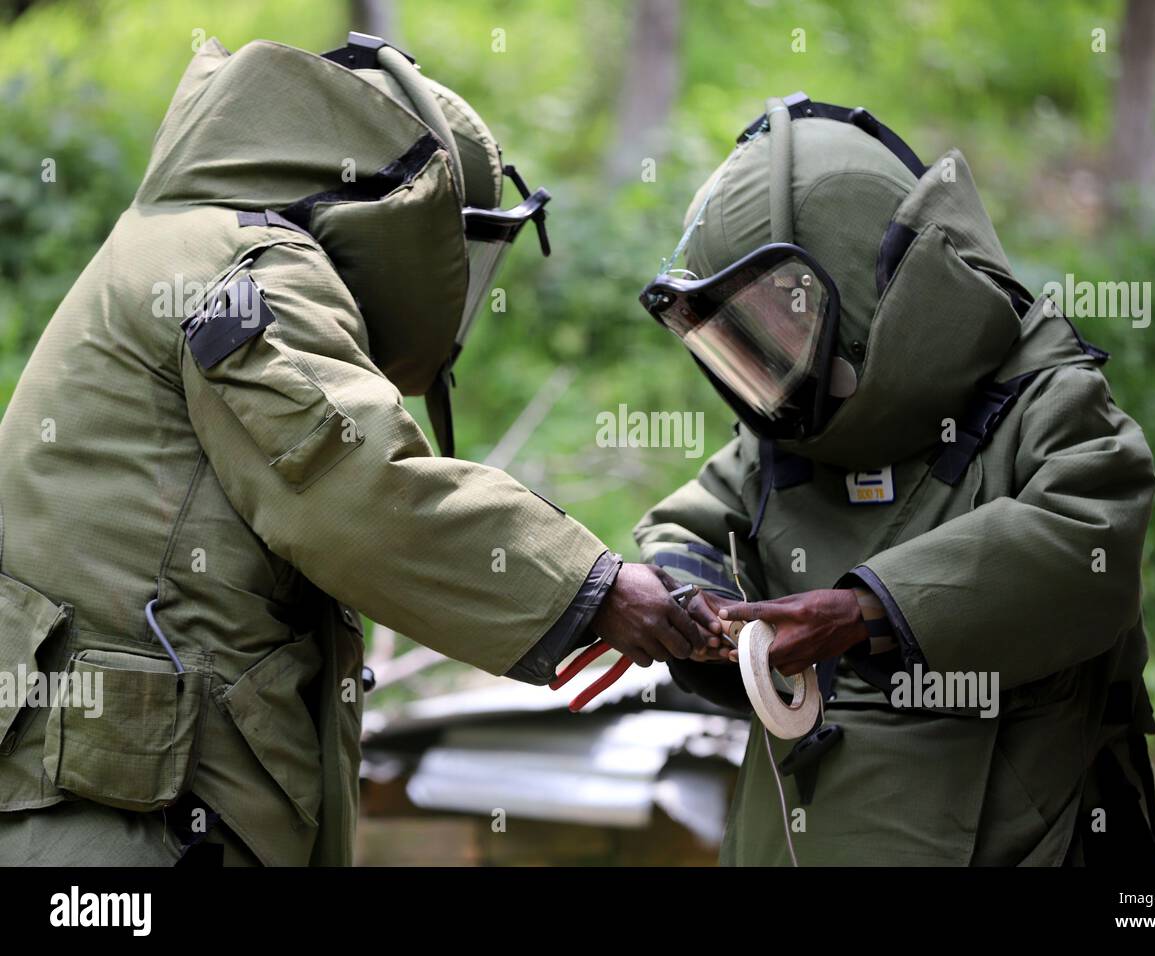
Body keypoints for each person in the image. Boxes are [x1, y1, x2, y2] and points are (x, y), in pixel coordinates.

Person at [0, 34, 704, 866]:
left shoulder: (184, 237)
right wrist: (594, 591)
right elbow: (356, 490)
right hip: (127, 814)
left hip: (110, 789)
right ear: (402, 217)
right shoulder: (247, 263)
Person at [635, 94, 1155, 866]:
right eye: (741, 344)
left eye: (778, 328)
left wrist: (865, 612)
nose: (764, 372)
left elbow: (1090, 540)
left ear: (858, 293)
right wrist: (692, 600)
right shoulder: (787, 435)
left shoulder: (1042, 395)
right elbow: (687, 526)